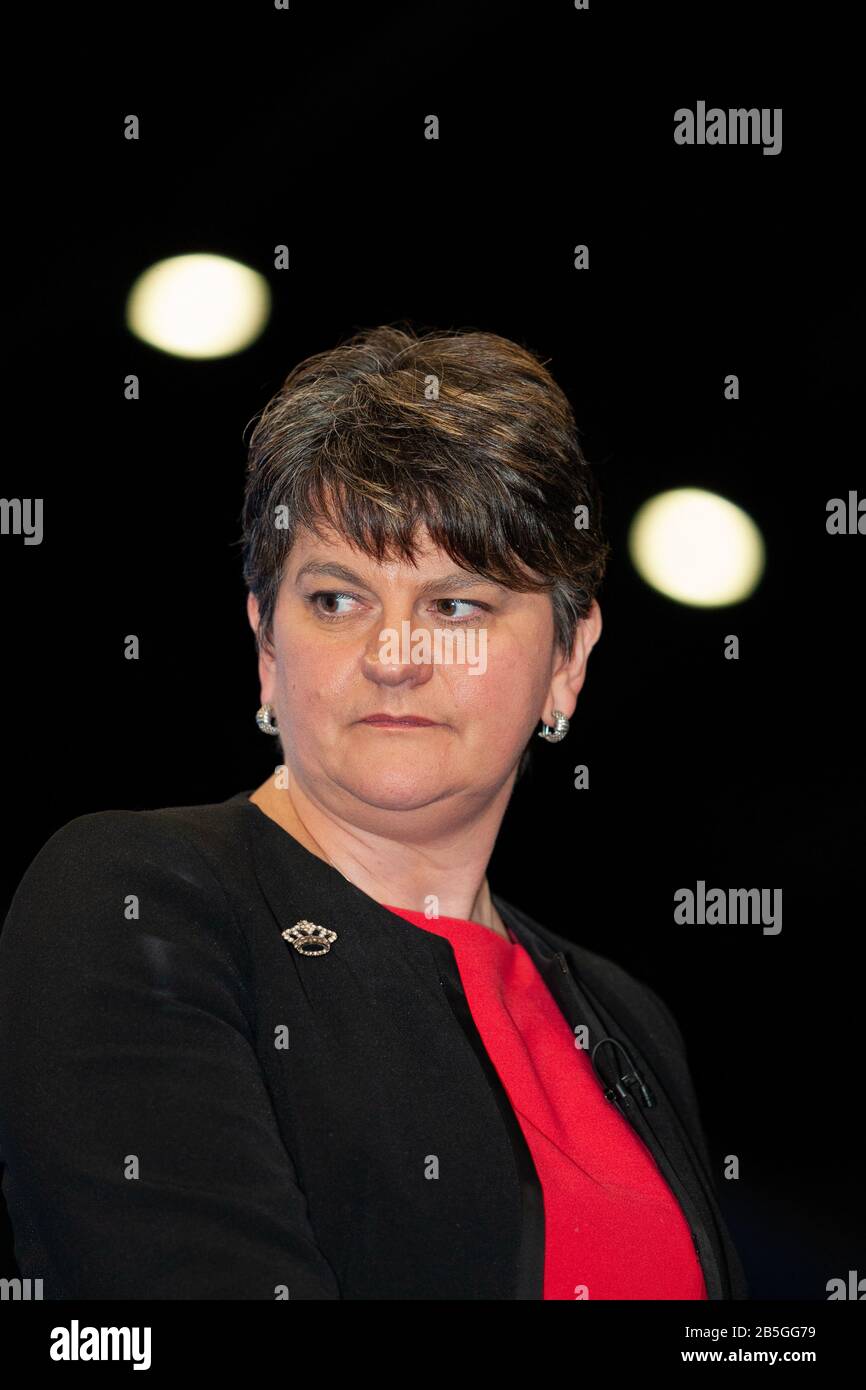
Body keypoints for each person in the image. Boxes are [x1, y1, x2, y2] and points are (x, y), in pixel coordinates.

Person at [0, 324, 748, 1299]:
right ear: (266, 643)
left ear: (566, 658)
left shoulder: (627, 1020)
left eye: (454, 606)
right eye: (336, 599)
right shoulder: (140, 898)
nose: (393, 654)